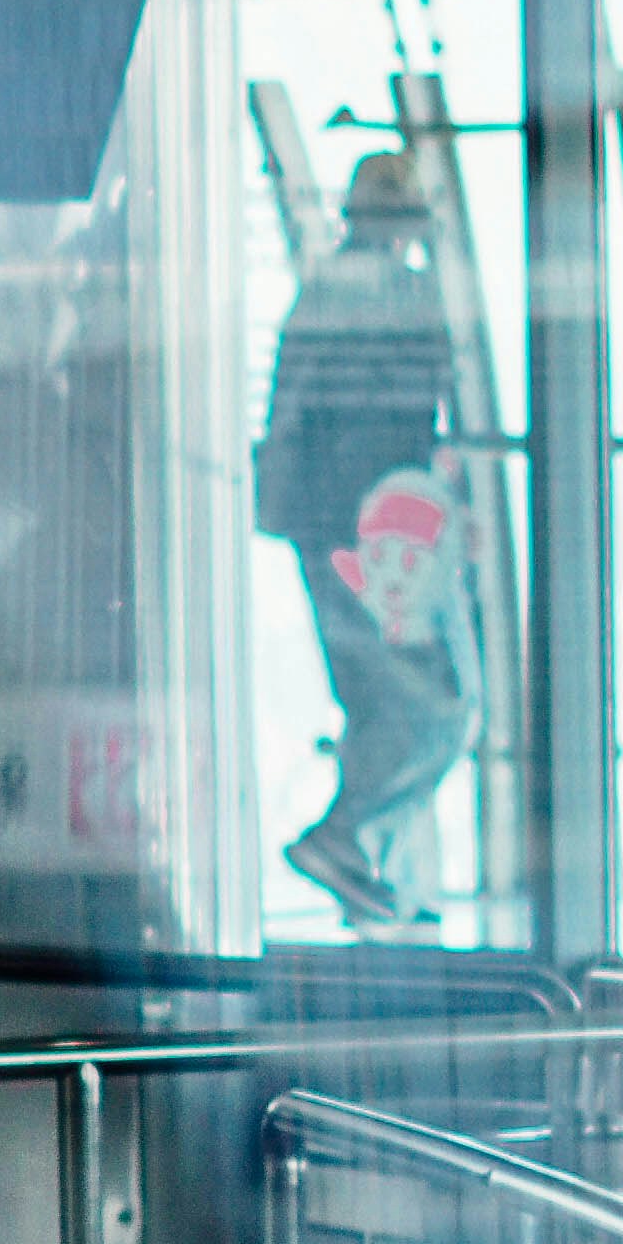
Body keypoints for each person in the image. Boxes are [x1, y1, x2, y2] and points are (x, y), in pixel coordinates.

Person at [257, 151, 483, 933]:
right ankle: (345, 839)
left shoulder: (320, 292)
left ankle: (368, 873)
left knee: (378, 705)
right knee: (443, 708)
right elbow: (421, 424)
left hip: (333, 529)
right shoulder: (408, 295)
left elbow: (289, 416)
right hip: (388, 535)